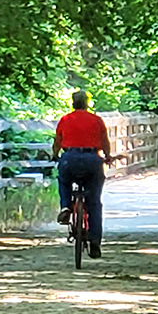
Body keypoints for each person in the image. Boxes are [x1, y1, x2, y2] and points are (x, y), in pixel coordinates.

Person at [52, 90, 112, 259]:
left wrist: (55, 155)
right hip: (92, 159)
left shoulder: (65, 119)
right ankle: (94, 242)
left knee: (64, 180)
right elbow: (105, 141)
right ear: (86, 103)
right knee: (94, 203)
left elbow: (57, 141)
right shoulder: (97, 120)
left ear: (73, 103)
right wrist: (107, 156)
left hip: (69, 158)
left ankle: (66, 206)